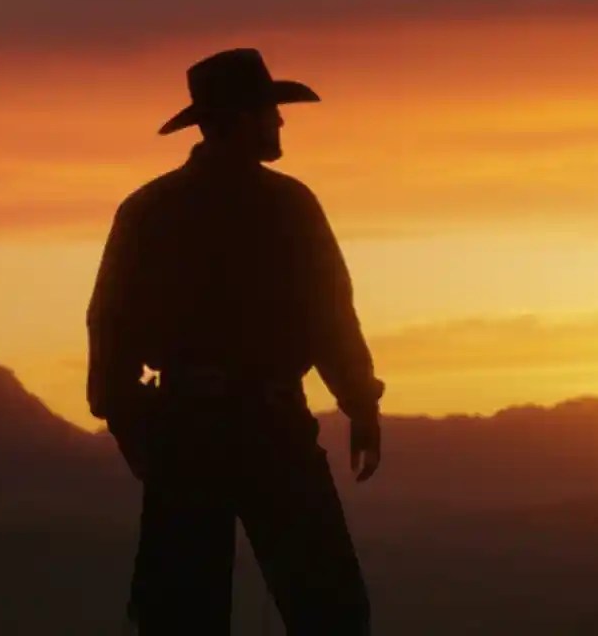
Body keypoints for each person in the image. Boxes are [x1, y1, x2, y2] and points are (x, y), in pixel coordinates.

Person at [86, 48, 384, 635]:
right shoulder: (290, 205)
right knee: (331, 610)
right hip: (273, 427)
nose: (280, 123)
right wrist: (360, 403)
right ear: (244, 119)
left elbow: (110, 324)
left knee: (181, 616)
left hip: (184, 431)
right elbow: (330, 316)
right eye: (271, 111)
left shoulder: (148, 210)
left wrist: (128, 421)